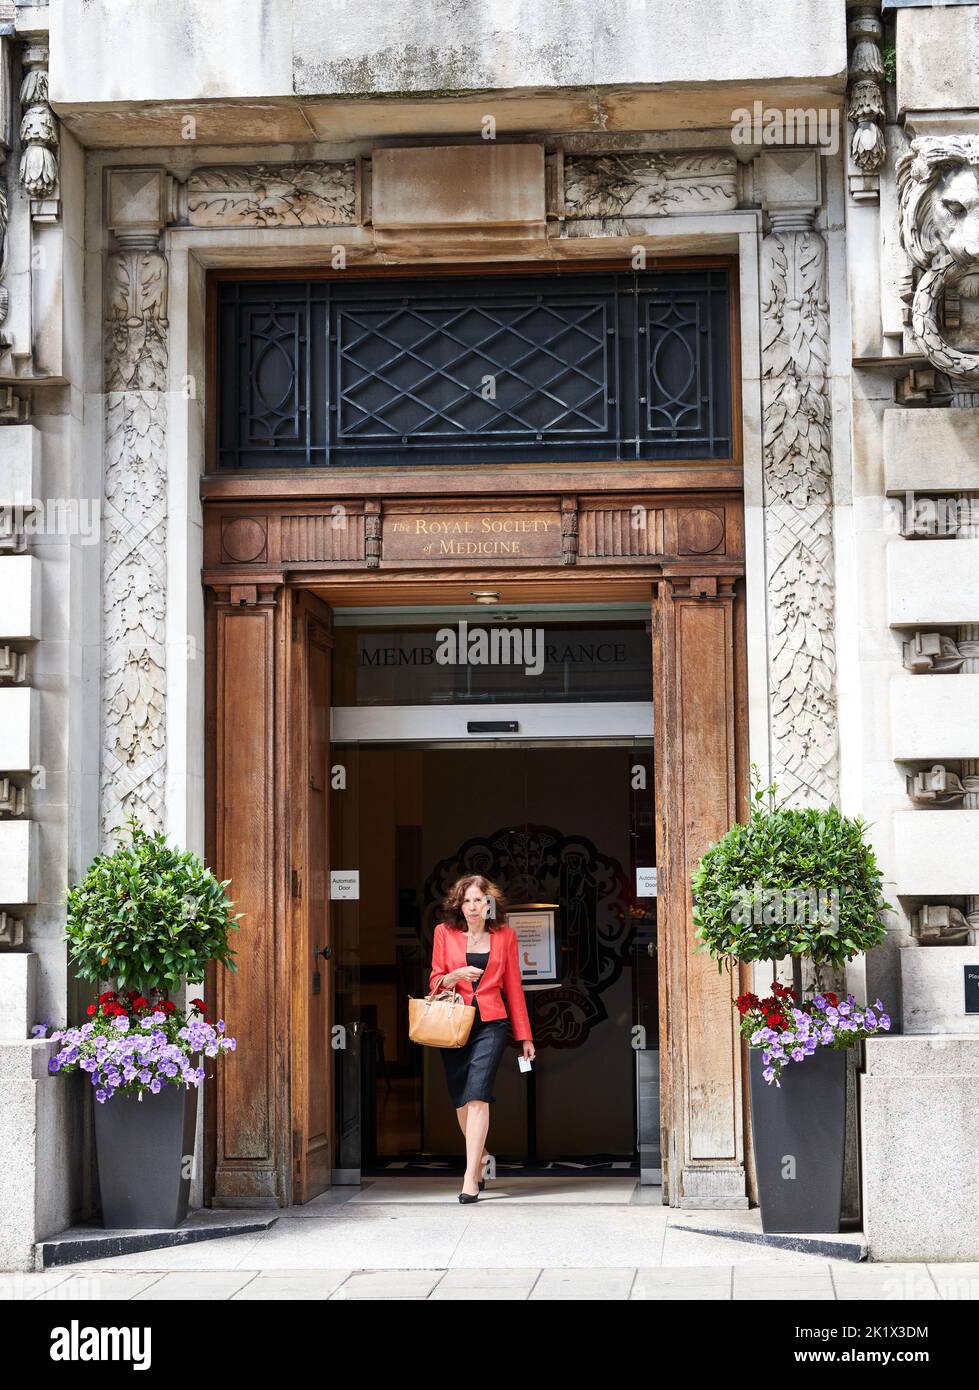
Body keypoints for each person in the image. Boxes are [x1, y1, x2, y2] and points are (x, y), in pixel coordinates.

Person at [429, 874, 535, 1202]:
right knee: (461, 1098)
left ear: (489, 904)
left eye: (479, 900)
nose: (474, 906)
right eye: (468, 901)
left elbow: (514, 988)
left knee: (478, 1095)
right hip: (455, 1022)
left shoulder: (504, 936)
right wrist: (455, 975)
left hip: (492, 1022)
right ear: (459, 905)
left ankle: (470, 1176)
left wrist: (524, 1036)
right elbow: (433, 982)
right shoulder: (444, 934)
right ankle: (483, 1155)